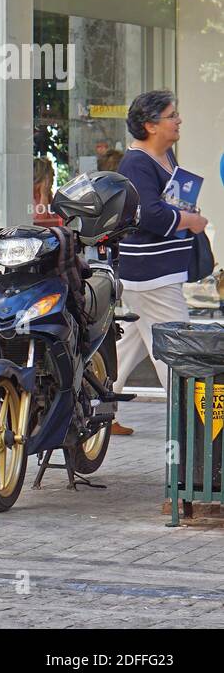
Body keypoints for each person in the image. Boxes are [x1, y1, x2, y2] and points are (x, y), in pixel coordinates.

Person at [110, 91, 209, 436]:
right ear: (151, 125)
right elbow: (149, 215)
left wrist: (185, 213)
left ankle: (98, 414)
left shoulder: (164, 154)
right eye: (172, 115)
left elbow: (169, 202)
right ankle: (195, 434)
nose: (178, 119)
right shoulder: (136, 163)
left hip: (159, 271)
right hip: (152, 275)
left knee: (128, 347)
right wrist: (189, 221)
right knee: (179, 355)